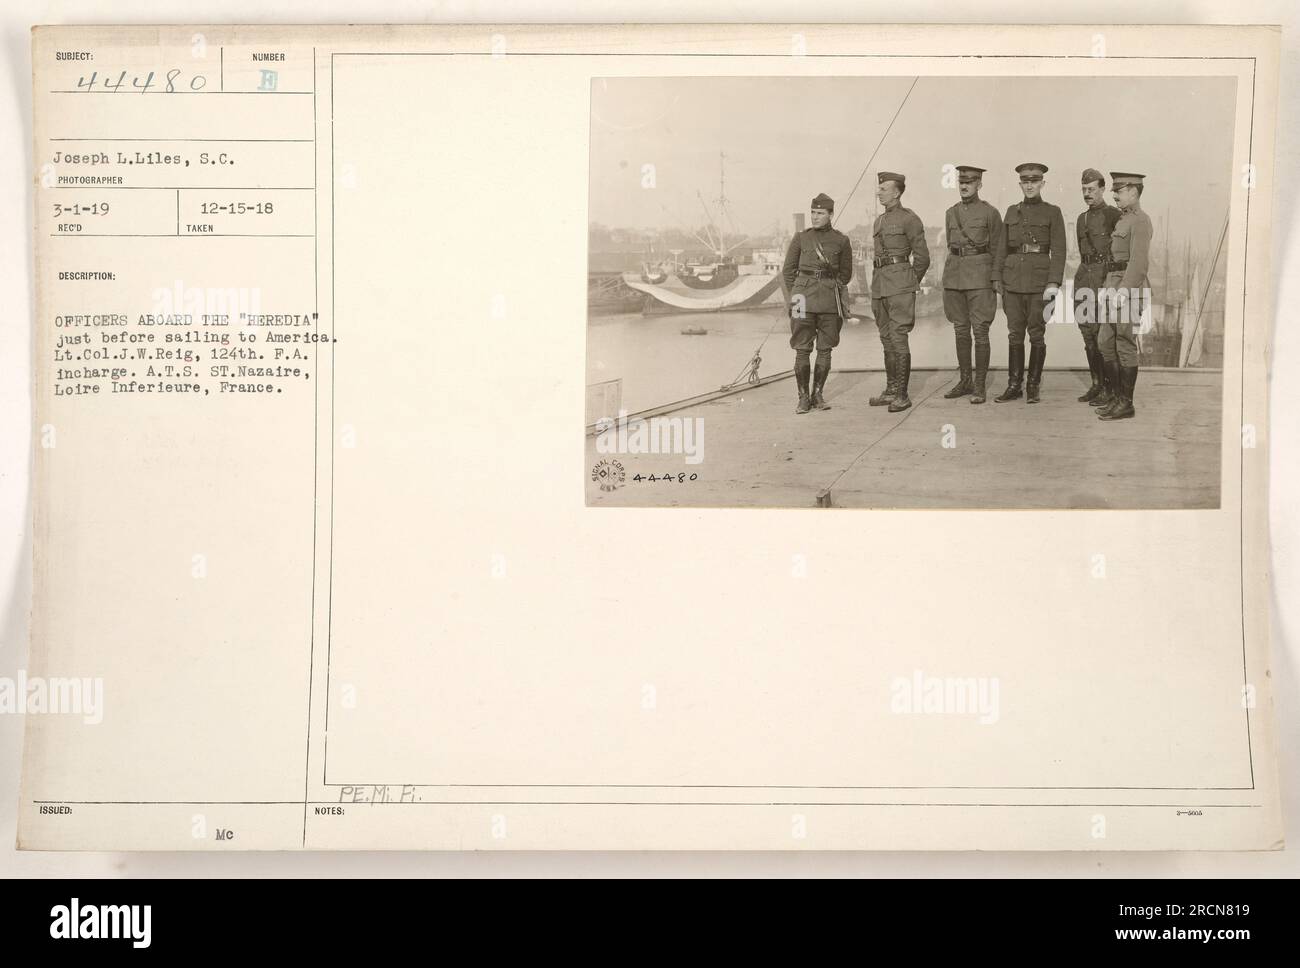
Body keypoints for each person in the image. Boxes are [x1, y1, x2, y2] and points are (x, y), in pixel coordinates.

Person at [991, 163, 1066, 404]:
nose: (1030, 185)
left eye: (1035, 180)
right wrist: (997, 279)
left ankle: (1033, 385)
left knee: (1036, 334)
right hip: (1012, 283)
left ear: (1042, 183)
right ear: (1020, 184)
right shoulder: (1012, 212)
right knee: (1014, 334)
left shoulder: (1053, 212)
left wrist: (1054, 282)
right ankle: (1014, 385)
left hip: (1039, 283)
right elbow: (1002, 248)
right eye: (1025, 181)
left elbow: (1060, 250)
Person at [781, 192, 853, 414]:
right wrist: (798, 292)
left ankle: (818, 395)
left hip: (829, 300)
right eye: (813, 212)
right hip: (802, 298)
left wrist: (830, 286)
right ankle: (803, 398)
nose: (815, 217)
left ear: (830, 214)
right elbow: (788, 271)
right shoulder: (801, 238)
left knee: (825, 348)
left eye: (820, 213)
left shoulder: (841, 240)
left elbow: (846, 274)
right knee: (802, 348)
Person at [868, 172, 930, 412]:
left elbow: (922, 257)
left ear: (897, 192)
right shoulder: (879, 221)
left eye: (884, 188)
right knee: (886, 337)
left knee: (898, 336)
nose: (879, 192)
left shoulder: (909, 219)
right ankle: (891, 389)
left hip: (900, 286)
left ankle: (902, 395)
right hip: (880, 285)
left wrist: (909, 282)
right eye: (879, 188)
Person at [941, 165, 1002, 404]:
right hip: (955, 276)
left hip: (980, 277)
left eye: (970, 181)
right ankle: (965, 381)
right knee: (960, 329)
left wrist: (995, 279)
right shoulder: (950, 212)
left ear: (979, 184)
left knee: (980, 332)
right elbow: (951, 244)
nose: (965, 186)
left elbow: (998, 248)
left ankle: (979, 386)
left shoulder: (990, 213)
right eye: (961, 182)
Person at [1096, 172, 1152, 421]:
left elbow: (1138, 264)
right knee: (1105, 342)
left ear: (1134, 191)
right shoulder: (1123, 220)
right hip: (1113, 285)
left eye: (1119, 190)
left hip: (1127, 289)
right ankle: (1116, 397)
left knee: (1124, 343)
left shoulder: (1140, 221)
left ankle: (1126, 403)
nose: (1115, 195)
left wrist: (1123, 291)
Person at [1073, 168, 1122, 405]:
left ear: (1103, 189)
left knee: (1104, 335)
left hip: (1104, 278)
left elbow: (1119, 251)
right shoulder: (1081, 219)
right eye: (1084, 190)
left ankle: (1110, 388)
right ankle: (1096, 384)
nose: (1087, 194)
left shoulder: (1114, 215)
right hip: (1084, 279)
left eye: (1091, 189)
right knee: (1087, 333)